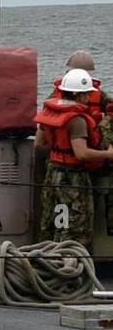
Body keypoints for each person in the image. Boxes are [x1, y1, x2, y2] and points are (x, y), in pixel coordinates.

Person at [33, 68, 113, 249]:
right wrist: (107, 154)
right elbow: (82, 153)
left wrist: (58, 150)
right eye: (86, 94)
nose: (88, 98)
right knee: (76, 228)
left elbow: (38, 145)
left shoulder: (50, 113)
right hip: (73, 178)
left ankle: (49, 263)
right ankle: (70, 267)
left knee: (54, 221)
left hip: (52, 174)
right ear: (80, 95)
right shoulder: (77, 120)